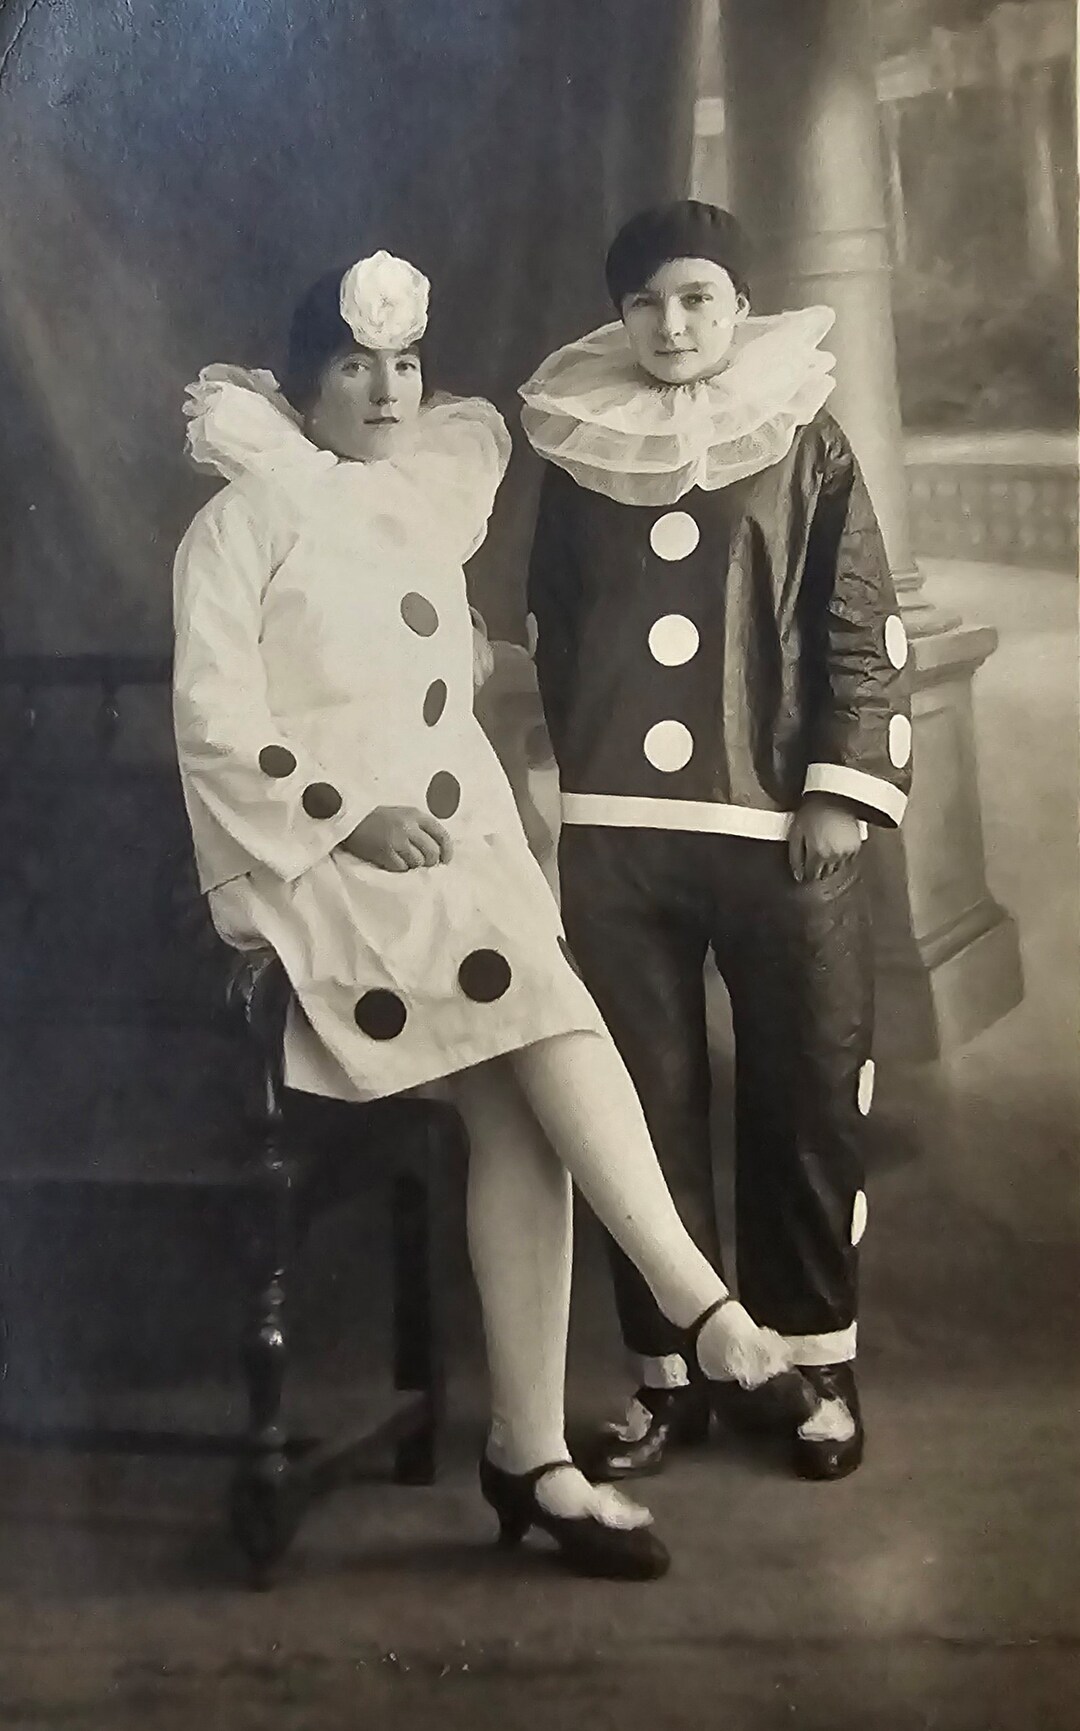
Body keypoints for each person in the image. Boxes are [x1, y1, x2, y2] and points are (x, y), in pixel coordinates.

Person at [172, 249, 812, 1583]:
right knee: (539, 1006)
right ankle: (699, 1300)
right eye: (356, 366)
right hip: (318, 871)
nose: (387, 391)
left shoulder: (417, 507)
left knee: (521, 1107)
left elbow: (441, 689)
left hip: (445, 868)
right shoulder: (240, 524)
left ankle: (532, 1453)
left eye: (406, 365)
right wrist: (346, 813)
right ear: (300, 384)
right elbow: (218, 724)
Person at [521, 201, 913, 1484]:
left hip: (779, 822)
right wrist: (564, 785)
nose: (671, 324)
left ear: (739, 305)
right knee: (636, 1109)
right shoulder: (580, 445)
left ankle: (813, 1360)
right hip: (617, 835)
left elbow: (856, 613)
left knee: (806, 1087)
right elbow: (553, 625)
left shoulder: (806, 436)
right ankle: (671, 1373)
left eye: (696, 298)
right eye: (645, 302)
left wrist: (841, 786)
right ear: (618, 315)